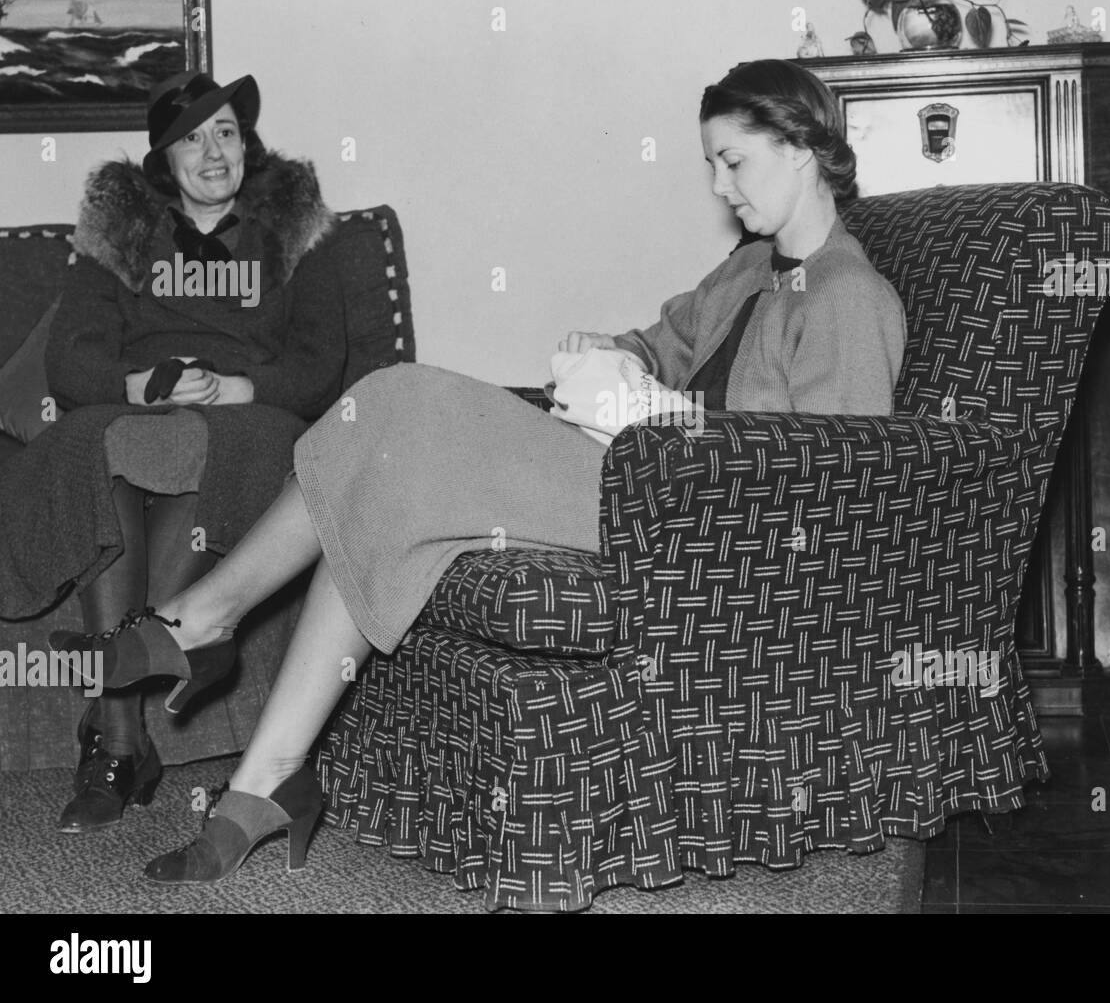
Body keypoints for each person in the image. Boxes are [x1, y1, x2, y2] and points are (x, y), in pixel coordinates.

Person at [54, 58, 908, 883]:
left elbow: (821, 485)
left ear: (800, 147)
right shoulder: (752, 267)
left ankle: (200, 622)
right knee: (381, 454)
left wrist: (671, 424)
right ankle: (261, 782)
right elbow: (663, 344)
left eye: (733, 161)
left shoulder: (849, 297)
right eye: (712, 165)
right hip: (631, 473)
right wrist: (608, 354)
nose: (720, 188)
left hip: (689, 520)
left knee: (399, 402)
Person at [0, 71, 348, 834]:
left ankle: (133, 695)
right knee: (99, 442)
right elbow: (72, 359)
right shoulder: (120, 237)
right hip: (137, 403)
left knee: (216, 447)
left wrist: (243, 389)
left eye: (225, 131)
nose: (212, 150)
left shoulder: (291, 231)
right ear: (164, 157)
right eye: (191, 137)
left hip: (247, 413)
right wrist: (139, 385)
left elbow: (321, 359)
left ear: (246, 145)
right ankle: (121, 743)